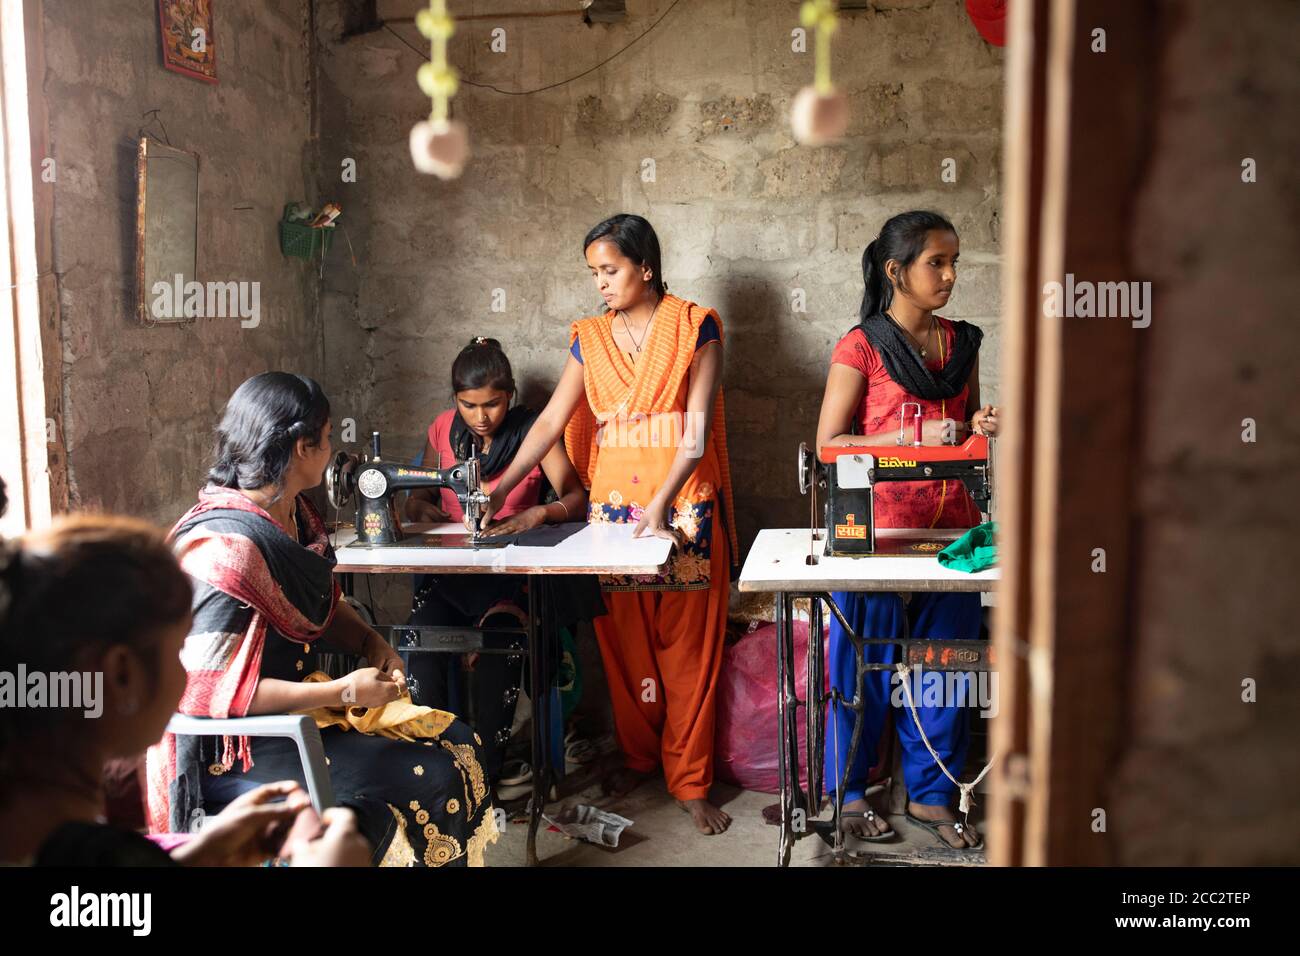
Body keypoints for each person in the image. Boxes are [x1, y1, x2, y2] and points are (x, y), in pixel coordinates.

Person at [144, 373, 498, 867]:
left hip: (299, 719)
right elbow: (205, 696)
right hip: (242, 749)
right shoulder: (226, 550)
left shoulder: (295, 514)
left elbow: (325, 608)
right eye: (328, 436)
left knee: (461, 740)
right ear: (299, 446)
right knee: (431, 773)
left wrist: (373, 644)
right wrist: (342, 693)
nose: (334, 448)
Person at [479, 213, 739, 835]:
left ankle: (690, 780)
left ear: (645, 266)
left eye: (611, 269)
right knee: (627, 653)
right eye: (593, 272)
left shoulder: (694, 326)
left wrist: (663, 507)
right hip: (615, 511)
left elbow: (696, 432)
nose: (600, 282)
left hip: (683, 507)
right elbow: (547, 425)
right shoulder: (589, 339)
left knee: (688, 657)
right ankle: (642, 757)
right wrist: (499, 489)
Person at [0, 499, 369, 866]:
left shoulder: (43, 828)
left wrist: (205, 855)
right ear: (121, 675)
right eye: (179, 649)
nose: (186, 672)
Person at [813, 210, 1000, 849]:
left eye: (954, 262)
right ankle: (849, 793)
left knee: (945, 669)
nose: (949, 275)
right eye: (935, 263)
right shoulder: (861, 346)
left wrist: (984, 426)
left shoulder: (962, 344)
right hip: (875, 538)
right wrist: (900, 436)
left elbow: (970, 430)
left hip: (951, 540)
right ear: (897, 271)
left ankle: (931, 795)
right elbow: (828, 445)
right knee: (861, 666)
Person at [403, 337, 593, 783]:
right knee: (419, 647)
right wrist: (417, 508)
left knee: (498, 654)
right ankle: (439, 773)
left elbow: (576, 498)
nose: (481, 417)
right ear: (455, 400)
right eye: (469, 405)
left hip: (512, 578)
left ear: (509, 395)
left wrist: (538, 513)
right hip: (452, 575)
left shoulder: (533, 432)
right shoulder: (442, 429)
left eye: (492, 403)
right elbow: (421, 494)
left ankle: (483, 775)